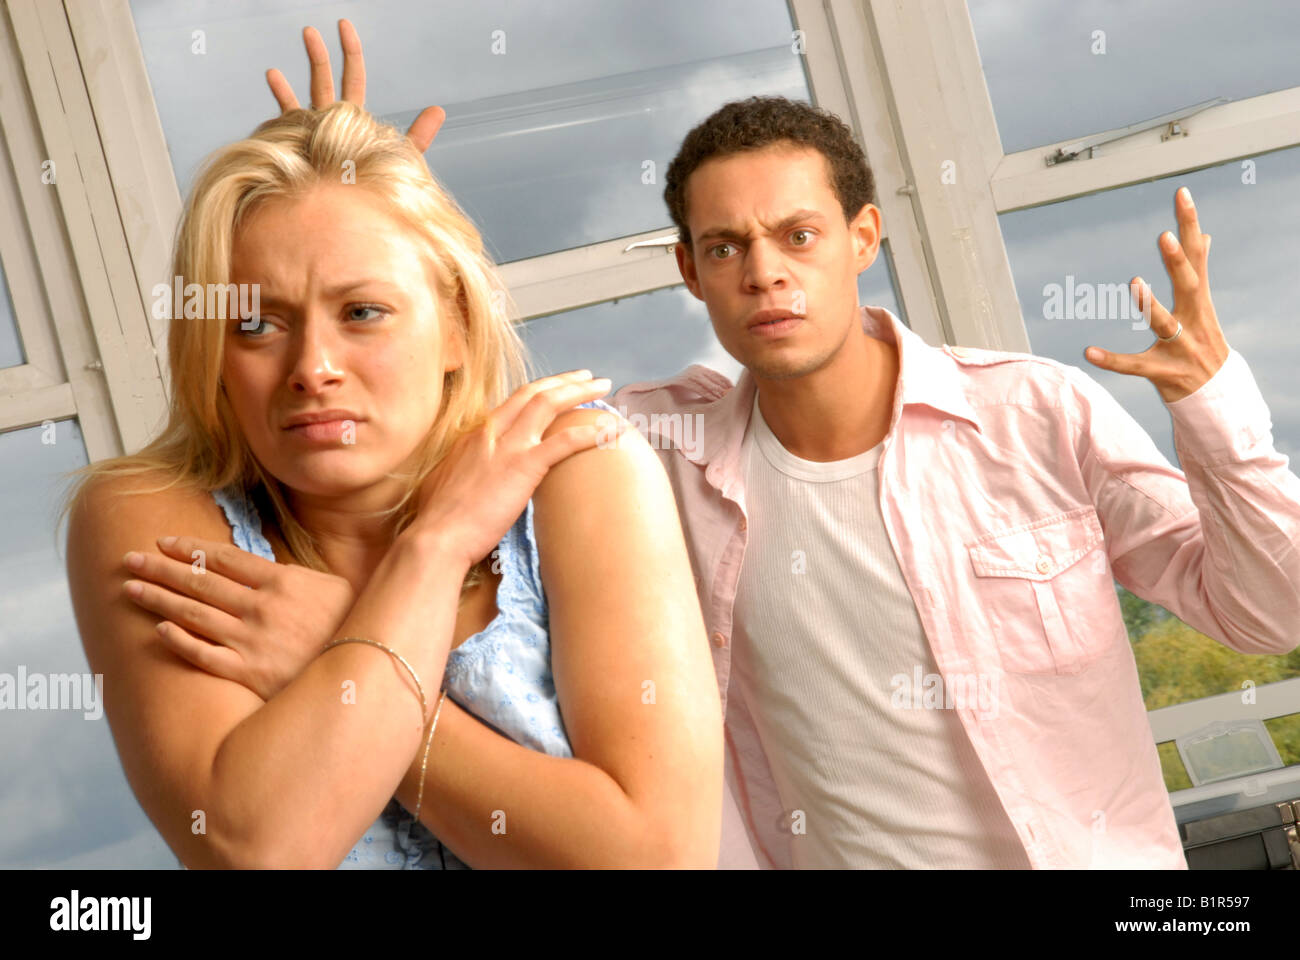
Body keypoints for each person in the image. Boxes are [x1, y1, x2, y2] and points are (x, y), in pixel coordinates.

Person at [611, 95, 1300, 868]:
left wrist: (1215, 411)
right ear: (690, 271)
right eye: (725, 248)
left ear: (862, 236)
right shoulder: (659, 459)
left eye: (797, 236)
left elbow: (1270, 616)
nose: (765, 274)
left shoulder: (1033, 416)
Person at [60, 89, 724, 868]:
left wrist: (340, 646)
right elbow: (253, 849)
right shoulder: (144, 516)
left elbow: (655, 859)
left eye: (362, 312)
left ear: (455, 325)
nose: (312, 370)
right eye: (256, 325)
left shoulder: (580, 472)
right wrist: (428, 564)